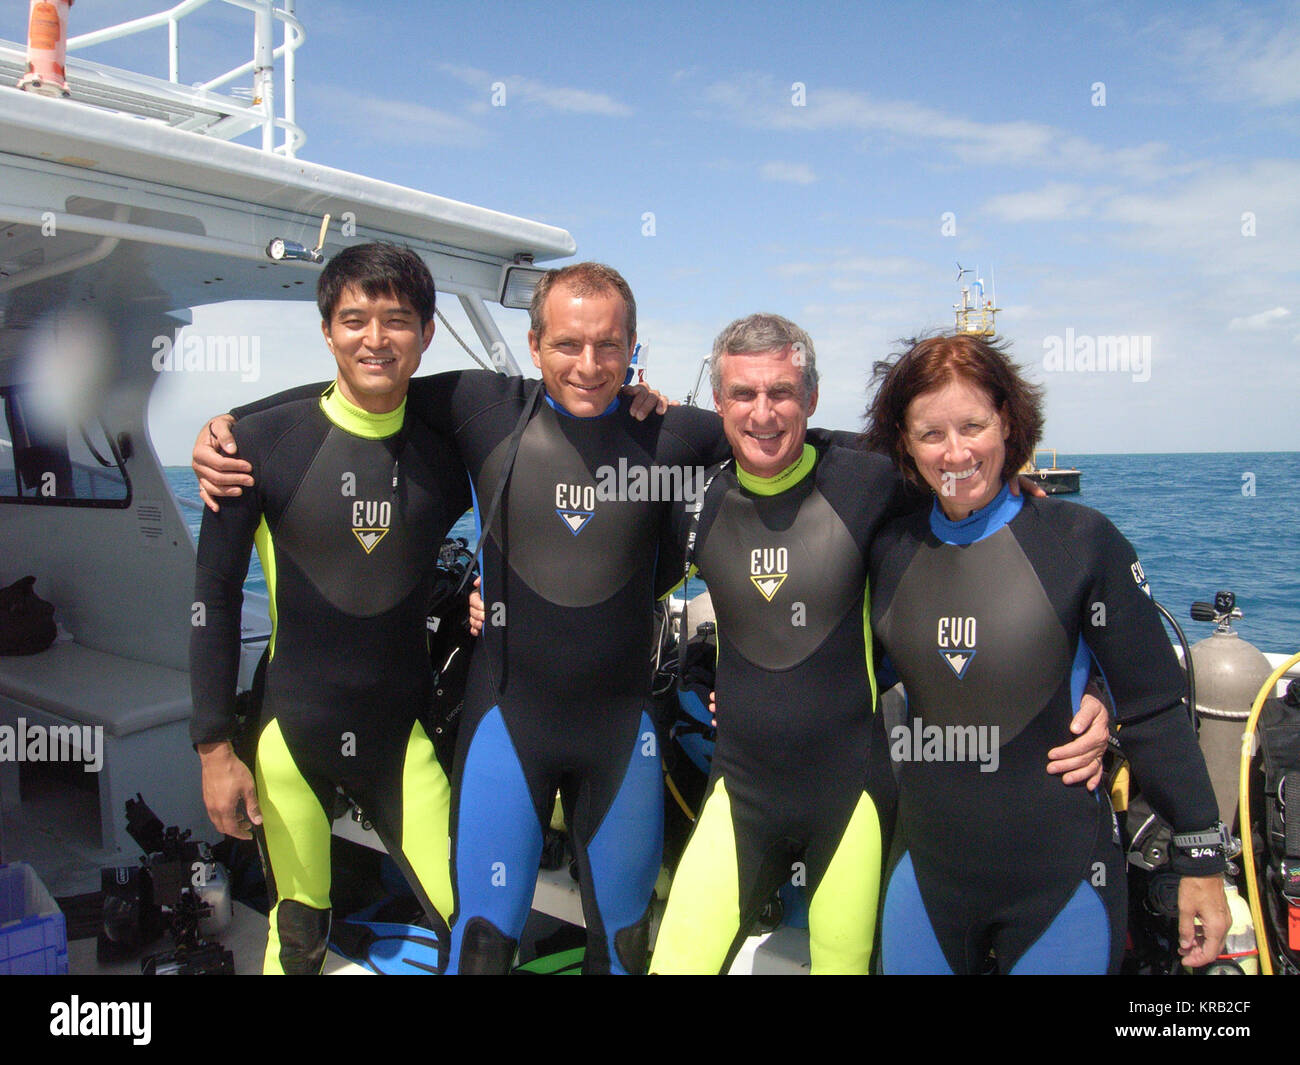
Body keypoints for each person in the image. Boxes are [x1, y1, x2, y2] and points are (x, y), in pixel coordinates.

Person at [194, 263, 725, 974]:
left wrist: (644, 396)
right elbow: (363, 387)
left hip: (542, 738)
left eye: (611, 346)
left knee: (614, 945)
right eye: (569, 344)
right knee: (383, 938)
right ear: (534, 345)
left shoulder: (658, 434)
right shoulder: (474, 409)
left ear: (634, 348)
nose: (590, 364)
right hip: (392, 731)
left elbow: (778, 440)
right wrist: (227, 424)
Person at [646, 315, 1112, 974]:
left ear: (811, 397)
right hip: (739, 792)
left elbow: (1000, 555)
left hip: (852, 800)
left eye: (782, 391)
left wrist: (1099, 689)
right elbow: (609, 573)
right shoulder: (697, 501)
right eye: (743, 394)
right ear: (718, 403)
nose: (763, 412)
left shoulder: (870, 483)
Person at [861, 332, 1230, 974]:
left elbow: (1153, 706)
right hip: (923, 877)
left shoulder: (1081, 541)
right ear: (903, 440)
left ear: (1007, 419)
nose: (955, 453)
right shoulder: (890, 549)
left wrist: (1201, 862)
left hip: (1060, 883)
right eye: (930, 434)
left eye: (973, 425)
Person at [190, 243, 467, 973]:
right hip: (292, 739)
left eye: (397, 320)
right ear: (326, 330)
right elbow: (215, 600)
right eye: (354, 320)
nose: (375, 338)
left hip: (402, 737)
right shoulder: (254, 446)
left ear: (428, 332)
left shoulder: (450, 452)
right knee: (299, 933)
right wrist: (214, 748)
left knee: (473, 927)